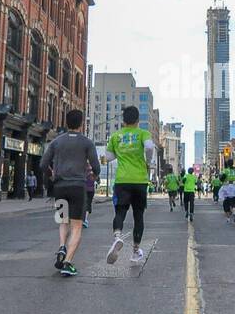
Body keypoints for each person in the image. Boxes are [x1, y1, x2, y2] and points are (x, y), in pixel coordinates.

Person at [39, 109, 99, 277]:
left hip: (60, 187)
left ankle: (61, 246)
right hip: (77, 188)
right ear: (81, 124)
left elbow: (43, 164)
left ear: (66, 123)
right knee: (77, 226)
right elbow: (96, 166)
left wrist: (52, 174)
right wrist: (93, 175)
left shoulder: (56, 142)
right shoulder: (87, 143)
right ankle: (67, 263)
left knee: (63, 221)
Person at [101, 105, 155, 264]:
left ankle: (117, 236)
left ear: (123, 120)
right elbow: (150, 147)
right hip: (139, 181)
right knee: (138, 216)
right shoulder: (143, 133)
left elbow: (108, 158)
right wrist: (147, 161)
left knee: (120, 212)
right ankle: (136, 251)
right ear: (138, 120)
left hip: (122, 181)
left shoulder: (116, 136)